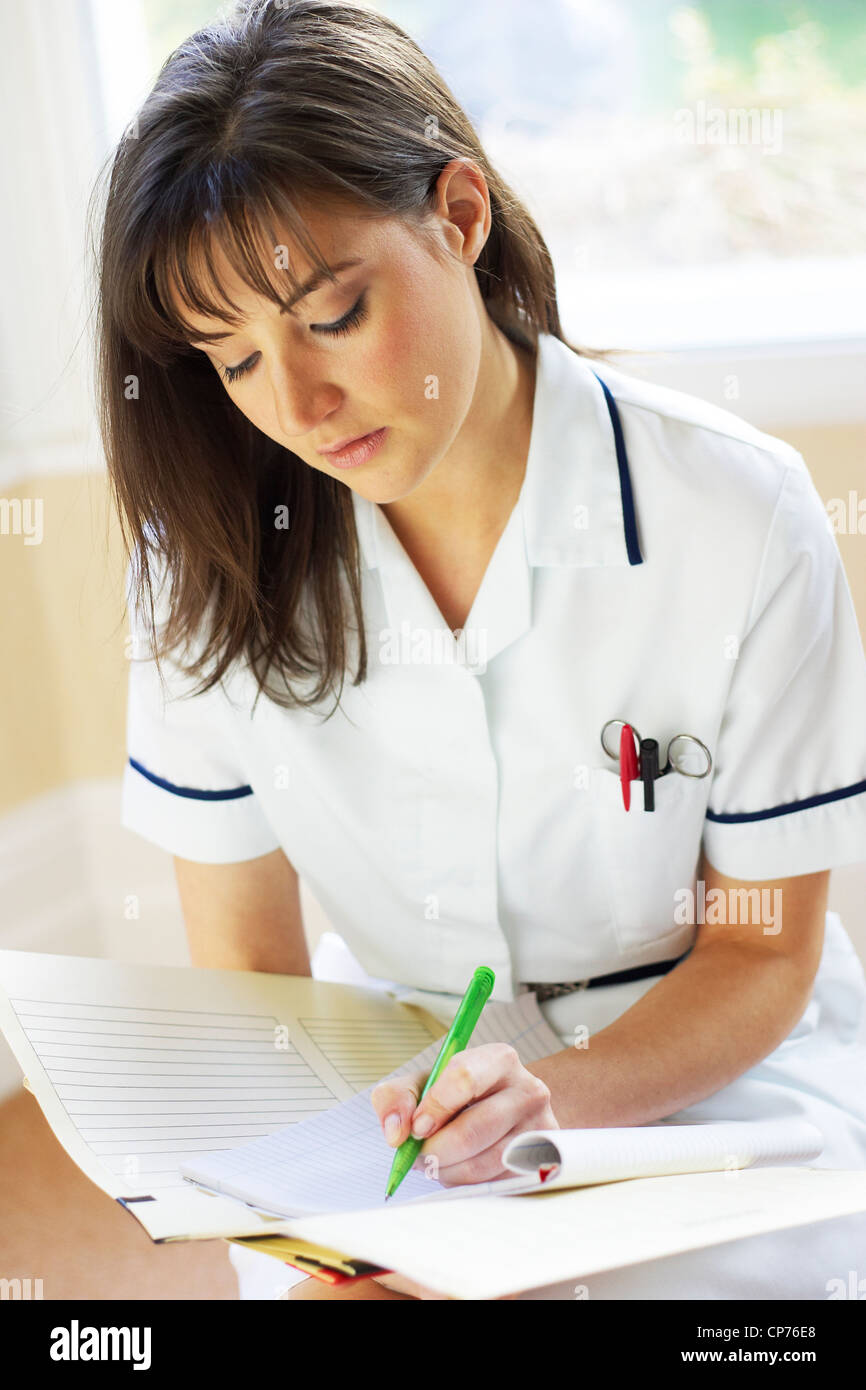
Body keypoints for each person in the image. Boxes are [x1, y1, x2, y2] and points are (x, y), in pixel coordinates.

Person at [95, 0, 866, 1301]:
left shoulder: (735, 511)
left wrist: (544, 1101)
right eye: (232, 359)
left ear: (458, 215)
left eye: (331, 314)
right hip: (383, 1075)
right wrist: (338, 1206)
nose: (296, 406)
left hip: (700, 1066)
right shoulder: (206, 559)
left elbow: (761, 951)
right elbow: (248, 972)